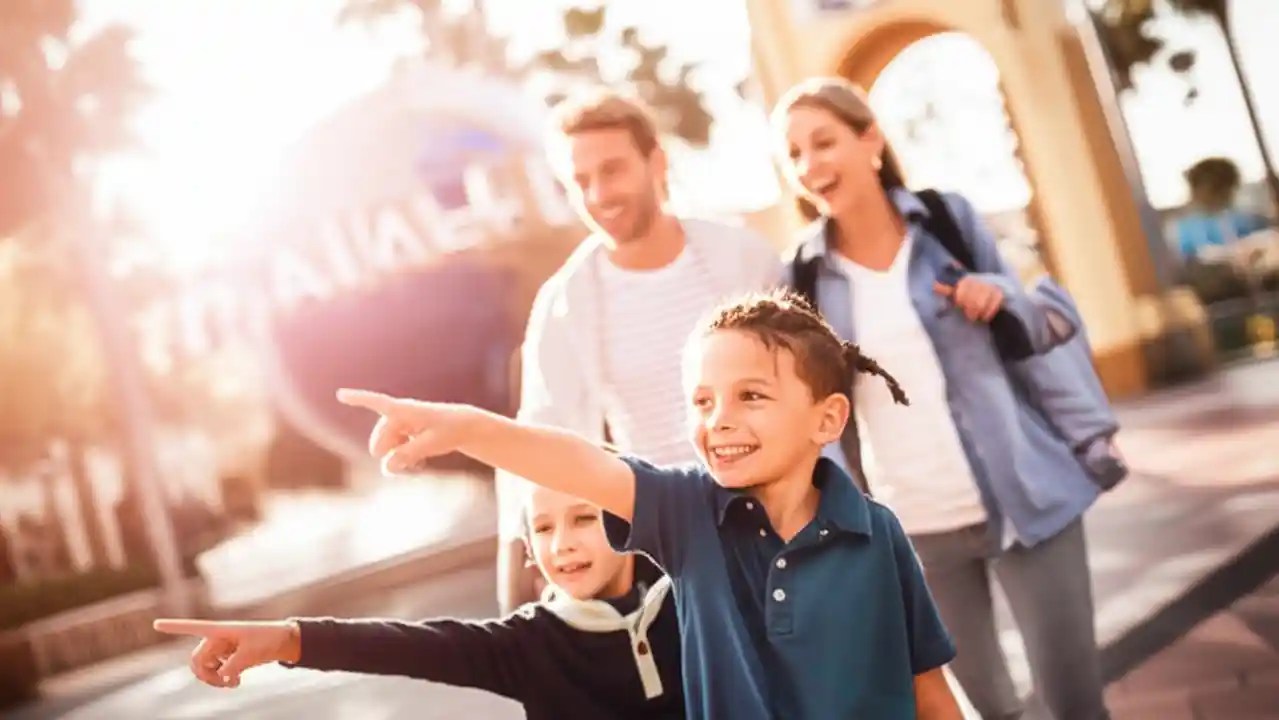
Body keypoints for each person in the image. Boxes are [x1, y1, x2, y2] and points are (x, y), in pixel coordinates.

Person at [338, 289, 964, 720]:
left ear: (826, 419)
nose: (719, 420)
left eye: (750, 395)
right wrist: (468, 428)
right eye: (701, 401)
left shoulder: (876, 533)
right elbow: (578, 463)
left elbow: (928, 690)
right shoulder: (687, 513)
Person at [773, 76, 1109, 719]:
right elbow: (817, 419)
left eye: (824, 142)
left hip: (1029, 502)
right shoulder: (804, 276)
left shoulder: (948, 221)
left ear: (870, 139)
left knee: (1076, 707)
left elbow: (1036, 331)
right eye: (793, 155)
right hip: (915, 529)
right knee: (983, 709)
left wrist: (997, 294)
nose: (810, 165)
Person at [496, 88, 782, 612]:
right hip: (676, 556)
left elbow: (809, 389)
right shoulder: (565, 306)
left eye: (613, 170)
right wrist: (529, 575)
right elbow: (540, 438)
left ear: (656, 163)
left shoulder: (743, 259)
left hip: (783, 526)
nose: (599, 194)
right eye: (580, 181)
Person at [154, 484, 683, 720]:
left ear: (628, 520)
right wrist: (287, 638)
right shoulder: (528, 644)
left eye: (584, 517)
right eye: (543, 527)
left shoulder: (692, 604)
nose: (562, 542)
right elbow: (408, 646)